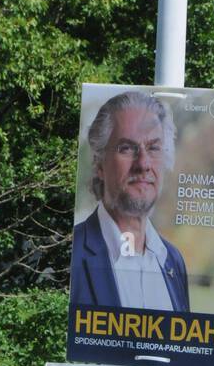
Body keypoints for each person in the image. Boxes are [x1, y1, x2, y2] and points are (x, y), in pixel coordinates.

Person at [70, 90, 190, 313]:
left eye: (154, 148)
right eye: (126, 148)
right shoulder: (73, 251)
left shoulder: (172, 260)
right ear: (99, 164)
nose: (143, 164)